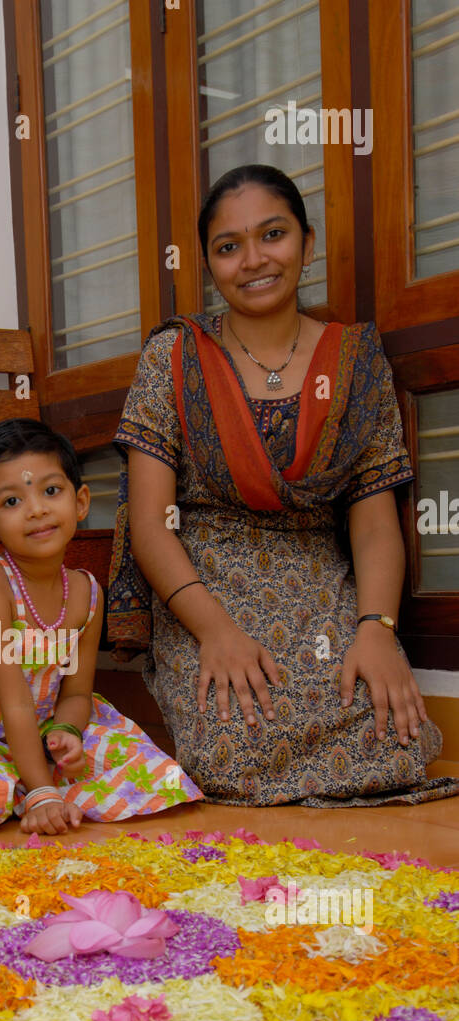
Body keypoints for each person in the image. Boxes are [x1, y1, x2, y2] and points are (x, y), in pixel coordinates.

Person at [108, 163, 459, 807]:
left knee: (395, 740)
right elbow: (150, 523)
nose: (254, 260)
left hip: (319, 580)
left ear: (307, 241)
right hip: (204, 581)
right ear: (210, 264)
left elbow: (374, 518)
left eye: (272, 234)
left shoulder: (353, 360)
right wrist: (214, 631)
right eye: (228, 246)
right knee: (235, 754)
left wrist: (377, 629)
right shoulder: (176, 358)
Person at [0, 417, 202, 836]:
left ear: (81, 501)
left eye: (51, 491)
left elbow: (75, 693)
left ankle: (40, 783)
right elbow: (13, 702)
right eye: (12, 502)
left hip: (45, 728)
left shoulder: (88, 593)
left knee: (149, 768)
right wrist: (42, 790)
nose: (36, 510)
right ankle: (35, 791)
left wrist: (67, 733)